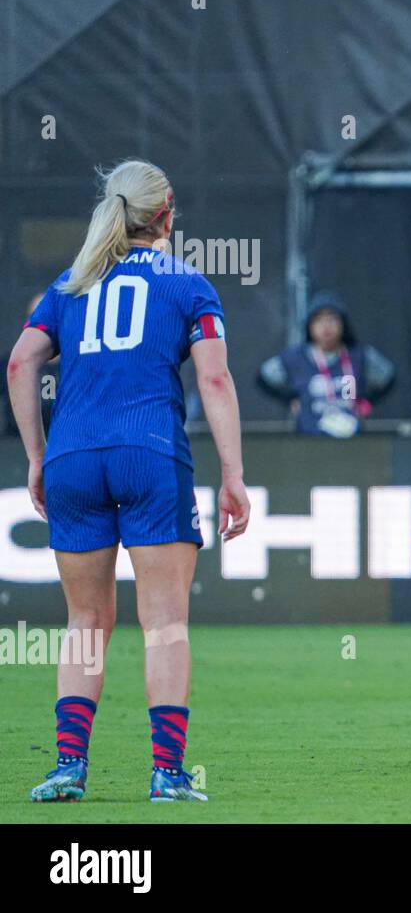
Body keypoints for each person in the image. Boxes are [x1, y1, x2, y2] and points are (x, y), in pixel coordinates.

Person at [11, 159, 250, 803]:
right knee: (165, 622)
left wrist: (37, 455)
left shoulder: (72, 281)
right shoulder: (188, 283)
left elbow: (20, 363)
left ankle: (67, 767)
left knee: (85, 620)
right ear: (167, 214)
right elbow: (216, 380)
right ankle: (167, 775)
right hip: (150, 454)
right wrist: (233, 474)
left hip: (73, 459)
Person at [257, 291, 394, 437]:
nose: (326, 327)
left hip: (353, 438)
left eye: (332, 320)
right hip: (309, 437)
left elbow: (388, 377)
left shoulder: (359, 355)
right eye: (319, 321)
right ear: (310, 326)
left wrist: (367, 402)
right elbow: (263, 377)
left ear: (343, 324)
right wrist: (289, 398)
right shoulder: (296, 357)